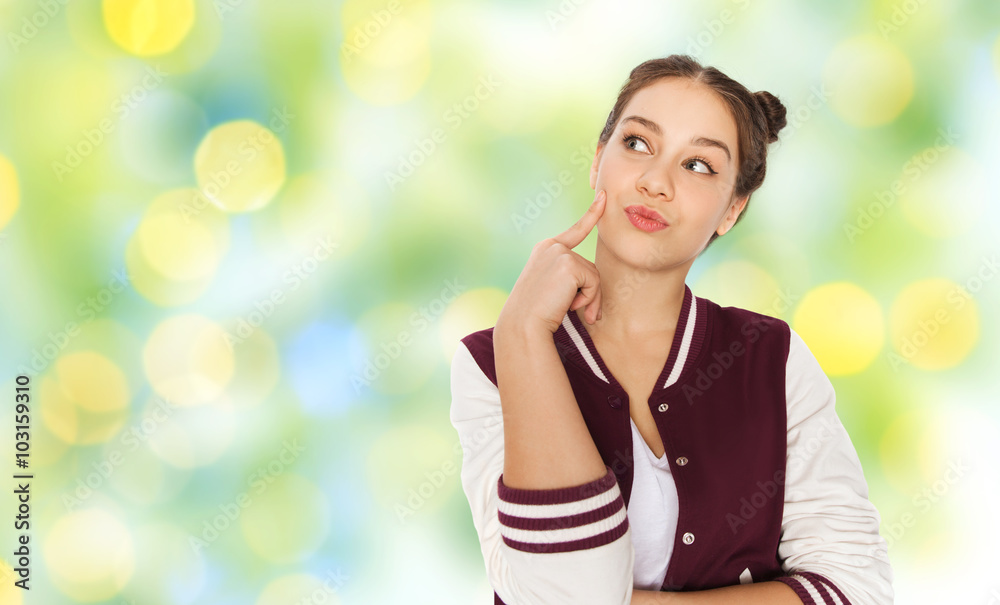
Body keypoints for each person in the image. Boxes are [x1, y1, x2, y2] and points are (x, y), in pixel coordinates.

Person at [449, 54, 894, 604]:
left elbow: (856, 587)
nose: (656, 182)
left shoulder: (771, 358)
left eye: (698, 165)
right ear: (597, 162)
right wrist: (523, 332)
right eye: (638, 144)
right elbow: (560, 591)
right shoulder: (495, 361)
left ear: (732, 209)